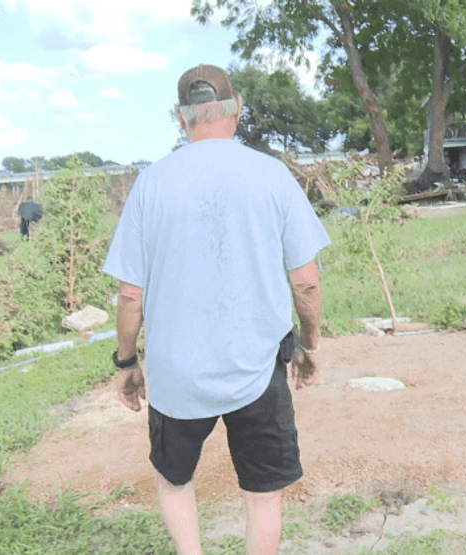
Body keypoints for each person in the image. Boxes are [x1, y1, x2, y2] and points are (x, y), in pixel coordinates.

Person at [102, 64, 330, 555]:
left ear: (181, 118)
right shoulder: (271, 175)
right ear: (238, 108)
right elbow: (306, 281)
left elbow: (130, 296)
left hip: (176, 372)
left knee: (175, 481)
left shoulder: (150, 184)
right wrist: (310, 346)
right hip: (258, 367)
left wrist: (126, 363)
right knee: (263, 493)